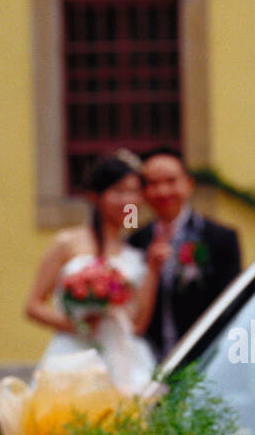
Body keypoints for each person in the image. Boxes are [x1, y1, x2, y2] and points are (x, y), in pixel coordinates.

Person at [23, 154, 163, 396]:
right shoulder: (67, 243)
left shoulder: (134, 254)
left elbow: (138, 324)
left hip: (122, 354)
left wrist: (153, 270)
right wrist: (77, 326)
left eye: (134, 192)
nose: (128, 200)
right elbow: (33, 305)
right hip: (73, 350)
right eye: (118, 192)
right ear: (95, 196)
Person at [127, 149, 241, 361]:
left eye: (171, 181)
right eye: (152, 183)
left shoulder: (219, 237)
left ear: (188, 184)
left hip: (206, 357)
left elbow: (231, 304)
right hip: (149, 358)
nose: (162, 191)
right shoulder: (135, 241)